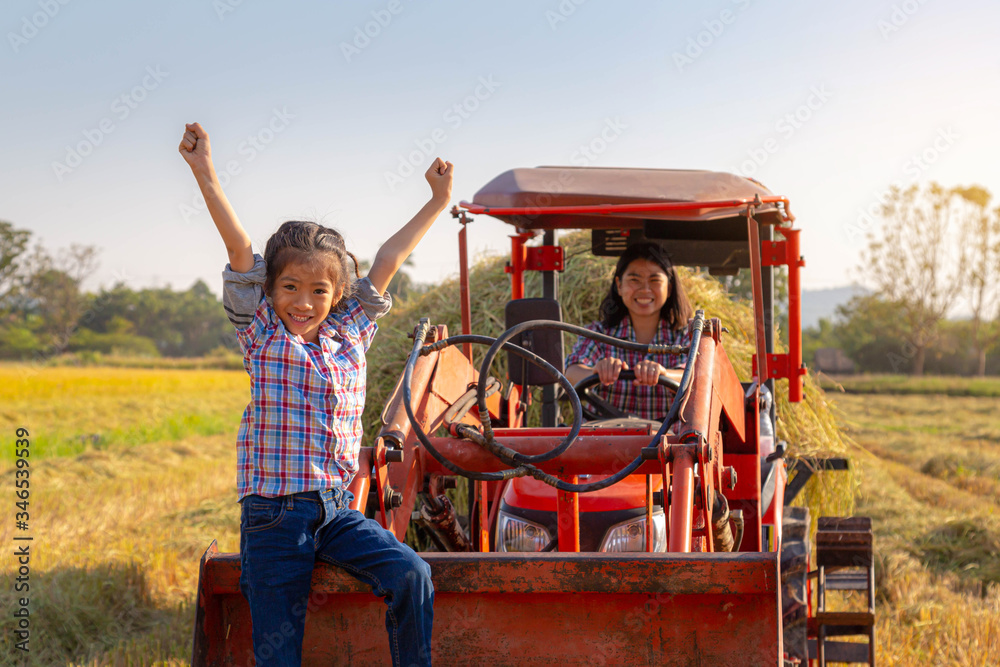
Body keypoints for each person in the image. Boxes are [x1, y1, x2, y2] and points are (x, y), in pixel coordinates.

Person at [179, 122, 451, 667]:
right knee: (279, 653)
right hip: (273, 516)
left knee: (412, 574)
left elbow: (387, 260)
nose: (303, 301)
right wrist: (203, 169)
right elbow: (238, 248)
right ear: (269, 289)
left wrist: (438, 202)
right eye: (290, 288)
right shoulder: (259, 329)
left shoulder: (352, 331)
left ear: (337, 293)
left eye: (319, 290)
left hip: (334, 511)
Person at [564, 242, 693, 421]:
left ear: (669, 288)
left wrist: (664, 374)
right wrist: (596, 371)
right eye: (634, 280)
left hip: (669, 445)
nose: (645, 289)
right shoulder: (599, 334)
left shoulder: (686, 336)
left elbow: (697, 379)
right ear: (619, 285)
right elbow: (571, 374)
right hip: (603, 443)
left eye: (654, 280)